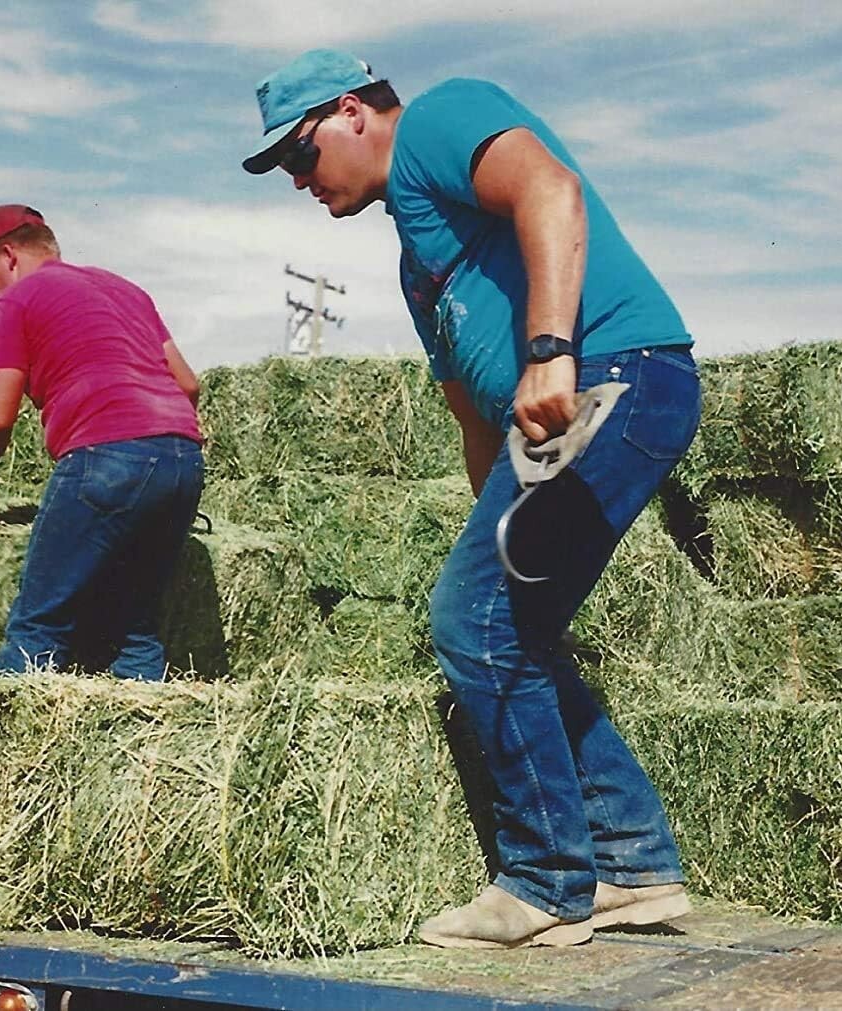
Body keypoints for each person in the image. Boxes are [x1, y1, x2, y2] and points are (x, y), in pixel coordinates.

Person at [243, 51, 701, 948]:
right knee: (503, 624)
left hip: (612, 375)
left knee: (473, 621)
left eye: (301, 156)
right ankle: (631, 864)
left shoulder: (440, 122)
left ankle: (546, 882)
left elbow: (551, 191)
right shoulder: (424, 253)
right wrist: (484, 525)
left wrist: (548, 349)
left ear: (352, 112)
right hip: (579, 402)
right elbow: (471, 416)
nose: (299, 182)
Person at [0, 204, 205, 680]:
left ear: (8, 256)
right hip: (182, 460)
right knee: (134, 633)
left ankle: (13, 753)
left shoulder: (16, 301)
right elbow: (187, 384)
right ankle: (145, 750)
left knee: (37, 630)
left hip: (106, 454)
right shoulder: (126, 291)